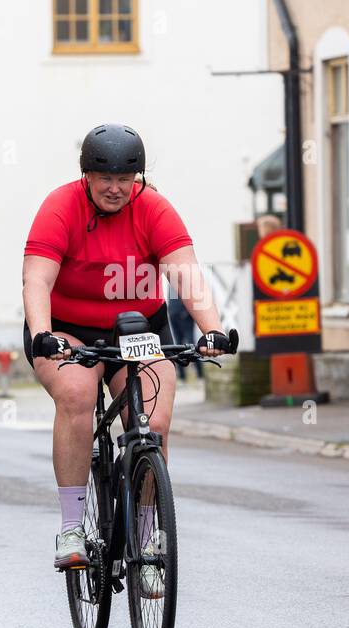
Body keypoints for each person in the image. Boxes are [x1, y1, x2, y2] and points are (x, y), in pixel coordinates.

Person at [22, 123, 232, 589]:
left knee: (152, 423)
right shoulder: (60, 207)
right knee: (76, 395)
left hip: (137, 329)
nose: (116, 188)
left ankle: (144, 538)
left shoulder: (153, 208)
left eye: (126, 178)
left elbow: (187, 275)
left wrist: (212, 328)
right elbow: (36, 280)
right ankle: (72, 527)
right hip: (67, 330)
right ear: (86, 177)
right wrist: (42, 334)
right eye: (105, 179)